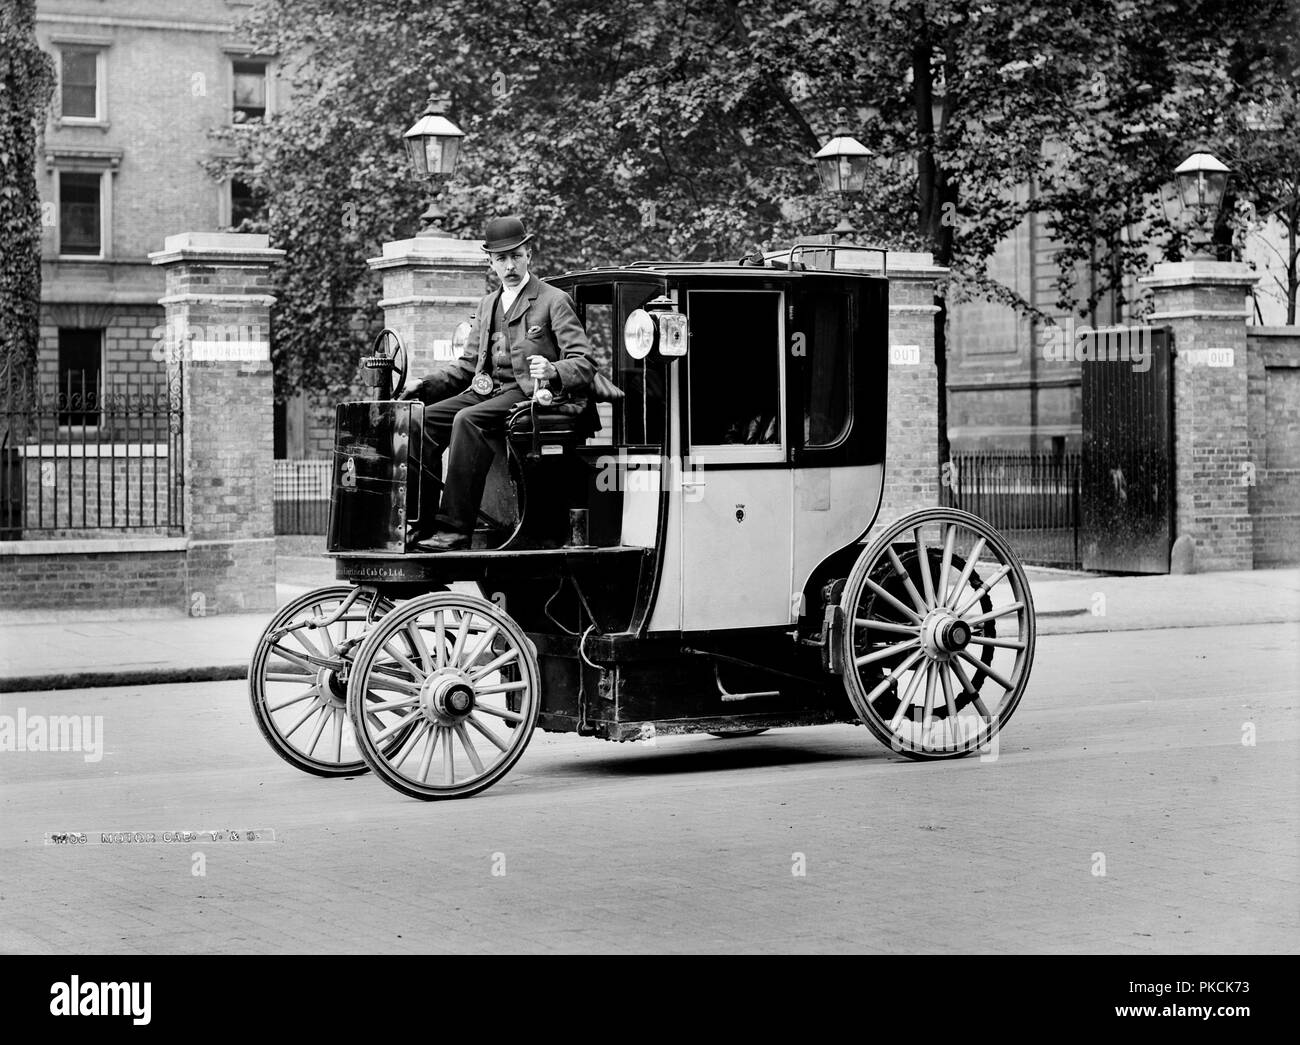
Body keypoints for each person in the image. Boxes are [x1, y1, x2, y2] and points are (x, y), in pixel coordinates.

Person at [401, 216, 595, 551]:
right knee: (423, 419)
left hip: (527, 394)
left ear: (529, 255)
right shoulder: (488, 303)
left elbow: (584, 362)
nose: (510, 265)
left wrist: (553, 369)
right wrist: (425, 385)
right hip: (487, 391)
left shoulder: (553, 300)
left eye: (516, 256)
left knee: (468, 420)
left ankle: (456, 529)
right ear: (490, 262)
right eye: (501, 259)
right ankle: (422, 522)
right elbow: (466, 367)